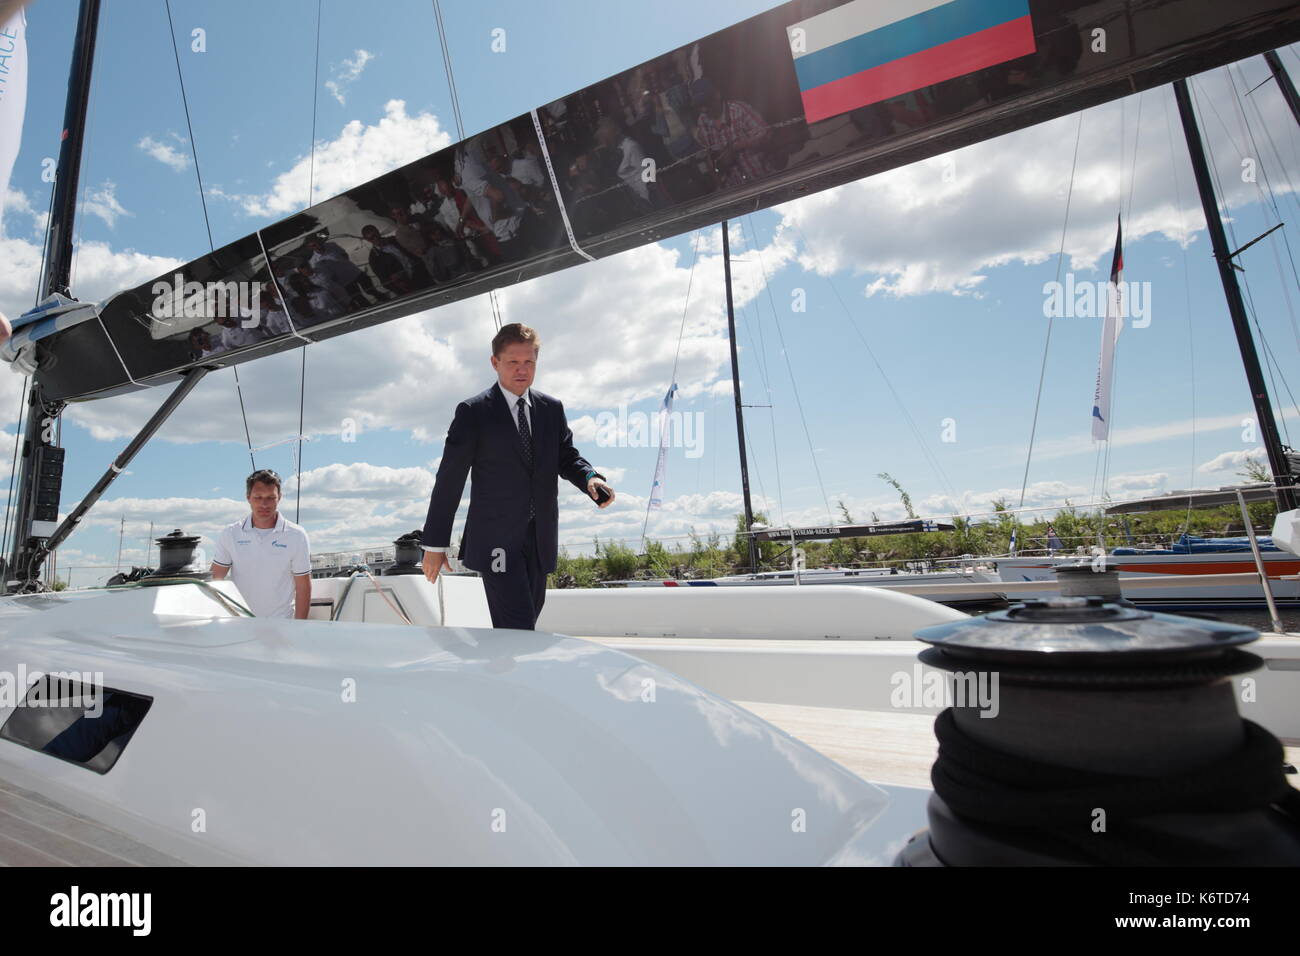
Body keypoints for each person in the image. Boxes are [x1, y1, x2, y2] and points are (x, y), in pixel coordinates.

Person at [420, 324, 615, 630]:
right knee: (520, 627)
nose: (522, 370)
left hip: (540, 539)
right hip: (496, 542)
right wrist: (434, 544)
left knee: (520, 630)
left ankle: (495, 673)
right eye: (513, 362)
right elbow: (449, 480)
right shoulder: (472, 412)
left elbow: (567, 455)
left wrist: (589, 477)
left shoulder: (551, 409)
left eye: (529, 363)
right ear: (495, 362)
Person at [210, 469, 312, 619]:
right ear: (248, 498)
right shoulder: (230, 534)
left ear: (280, 498)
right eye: (258, 497)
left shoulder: (297, 535)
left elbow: (303, 587)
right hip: (240, 624)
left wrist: (299, 628)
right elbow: (214, 579)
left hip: (282, 625)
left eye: (270, 497)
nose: (264, 504)